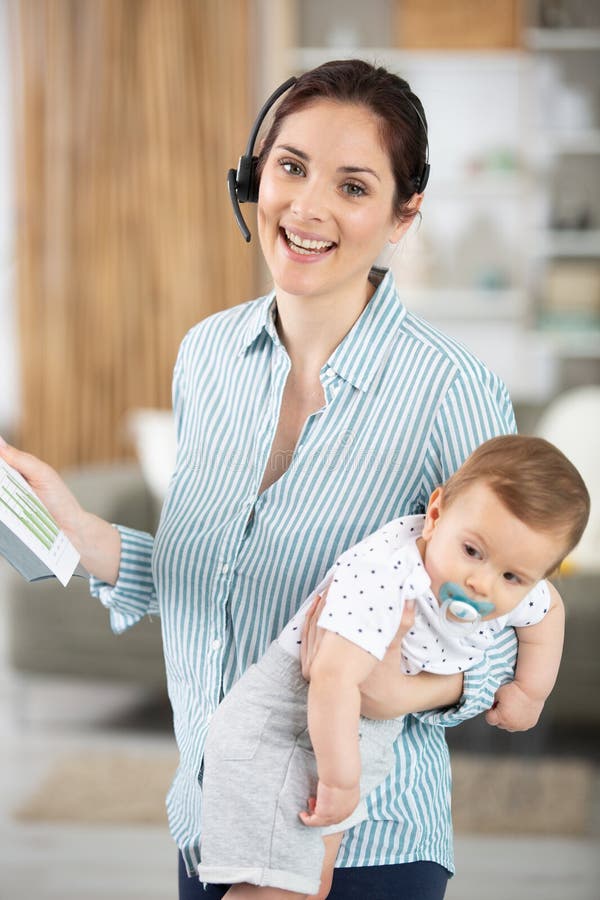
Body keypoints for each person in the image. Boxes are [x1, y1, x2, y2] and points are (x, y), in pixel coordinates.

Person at [0, 59, 566, 900]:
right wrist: (81, 533)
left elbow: (512, 616)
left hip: (365, 843)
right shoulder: (207, 356)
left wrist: (404, 690)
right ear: (252, 177)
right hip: (212, 818)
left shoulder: (453, 391)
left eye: (353, 186)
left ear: (404, 215)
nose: (306, 207)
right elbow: (217, 574)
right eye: (291, 167)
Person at [196, 434, 589, 899]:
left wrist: (530, 691)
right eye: (471, 552)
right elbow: (332, 678)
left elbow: (548, 611)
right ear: (436, 515)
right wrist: (340, 779)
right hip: (289, 724)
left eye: (511, 577)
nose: (481, 583)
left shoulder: (516, 576)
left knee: (311, 885)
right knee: (277, 891)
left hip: (353, 729)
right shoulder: (384, 574)